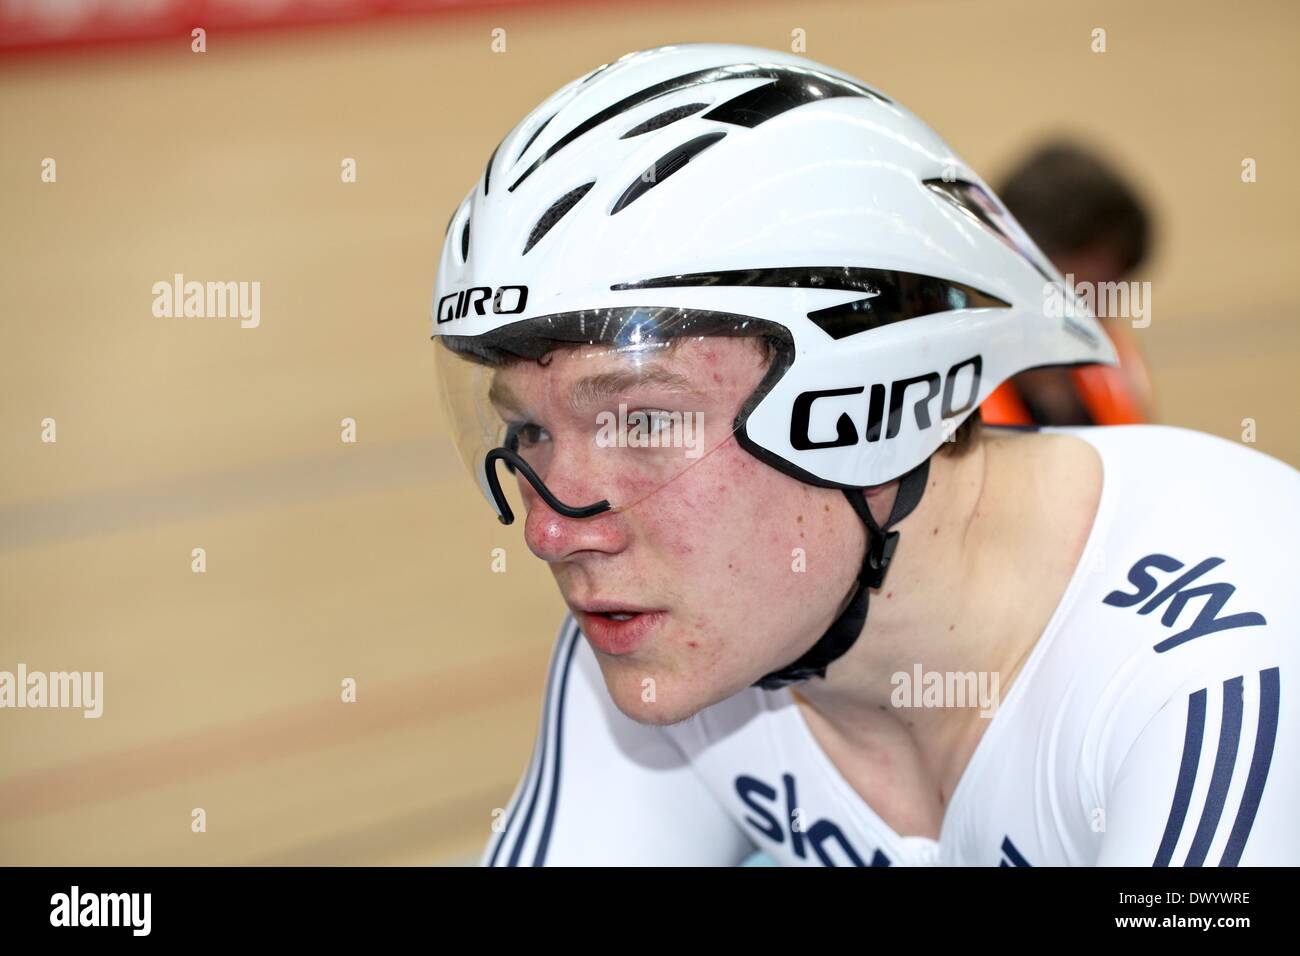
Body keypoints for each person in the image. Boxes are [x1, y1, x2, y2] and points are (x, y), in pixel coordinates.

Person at [430, 44, 1299, 866]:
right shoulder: (667, 631)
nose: (551, 531)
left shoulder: (1218, 675)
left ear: (872, 406)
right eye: (530, 430)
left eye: (645, 424)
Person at [982, 142, 1155, 426]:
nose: (1107, 305)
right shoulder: (956, 393)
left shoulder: (1116, 367)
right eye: (1094, 284)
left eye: (1115, 284)